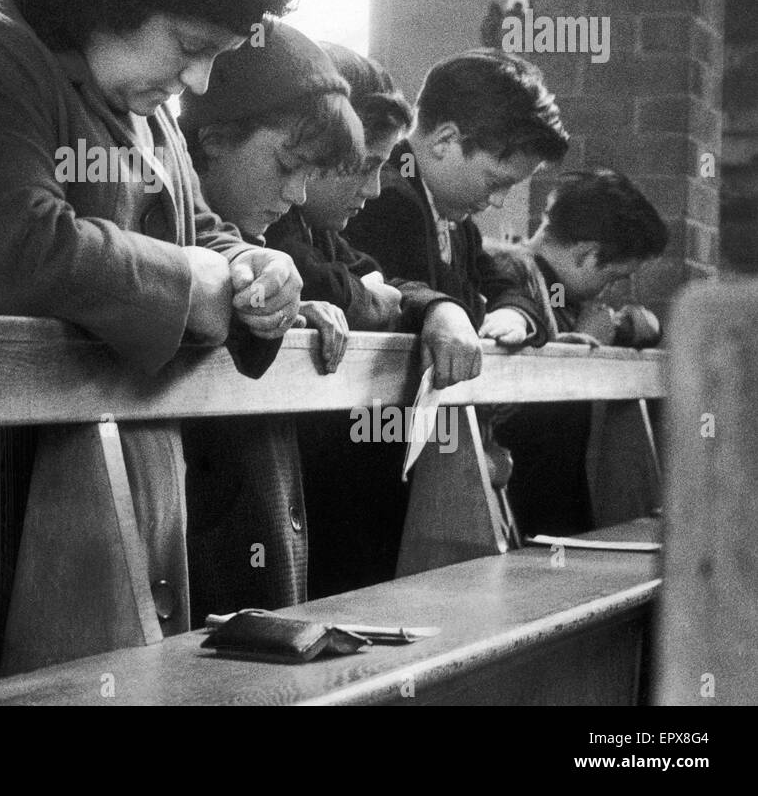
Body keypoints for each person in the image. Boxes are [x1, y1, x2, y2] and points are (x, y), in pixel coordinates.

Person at [0, 0, 305, 677]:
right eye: (188, 45)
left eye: (215, 58)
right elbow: (10, 248)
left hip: (128, 483)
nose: (194, 83)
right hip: (7, 498)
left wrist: (255, 274)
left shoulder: (135, 91)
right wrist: (194, 282)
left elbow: (201, 233)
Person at [335, 47, 570, 586]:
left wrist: (514, 312)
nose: (498, 200)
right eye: (495, 179)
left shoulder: (450, 212)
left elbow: (502, 276)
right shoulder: (384, 197)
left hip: (418, 455)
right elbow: (388, 300)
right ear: (444, 141)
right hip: (366, 460)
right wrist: (444, 310)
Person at [264, 42, 484, 595]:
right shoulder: (273, 222)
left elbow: (382, 279)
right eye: (361, 166)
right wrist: (367, 300)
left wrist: (439, 307)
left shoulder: (325, 231)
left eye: (382, 168)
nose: (373, 189)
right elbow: (320, 280)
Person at [176, 21, 361, 621]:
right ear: (215, 139)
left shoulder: (272, 243)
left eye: (311, 173)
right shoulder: (157, 216)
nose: (300, 194)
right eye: (287, 165)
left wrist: (288, 311)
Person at [479, 168, 668, 536]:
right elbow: (499, 402)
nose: (608, 292)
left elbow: (635, 325)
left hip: (555, 494)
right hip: (515, 493)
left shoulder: (563, 288)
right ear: (587, 254)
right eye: (612, 278)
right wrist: (578, 349)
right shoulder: (508, 271)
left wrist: (633, 327)